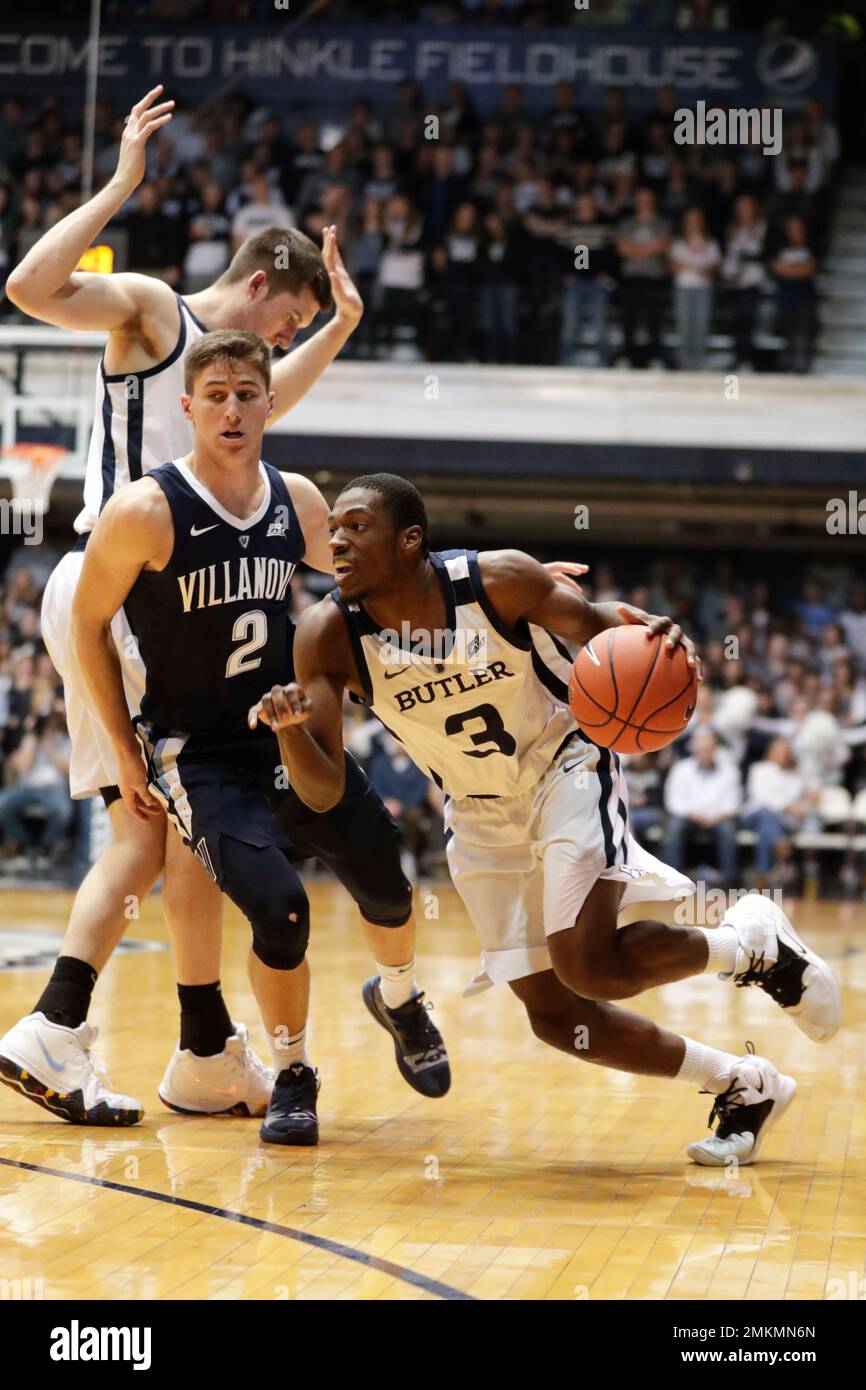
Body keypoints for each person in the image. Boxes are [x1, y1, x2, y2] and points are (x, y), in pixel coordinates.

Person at [250, 474, 841, 1167]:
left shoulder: (497, 581)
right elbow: (320, 793)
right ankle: (744, 1083)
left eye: (356, 527)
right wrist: (290, 732)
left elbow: (601, 629)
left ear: (409, 541)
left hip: (563, 764)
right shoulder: (325, 634)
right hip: (476, 811)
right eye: (333, 530)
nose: (336, 542)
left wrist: (655, 638)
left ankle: (750, 946)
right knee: (556, 1017)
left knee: (586, 961)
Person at [0, 86, 364, 1124]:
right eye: (288, 318)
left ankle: (202, 1048)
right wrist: (121, 183)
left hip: (158, 604)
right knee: (149, 826)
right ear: (257, 285)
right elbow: (28, 286)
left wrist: (338, 323)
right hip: (117, 591)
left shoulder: (234, 388)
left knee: (193, 823)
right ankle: (56, 1033)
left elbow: (282, 387)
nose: (277, 355)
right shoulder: (159, 313)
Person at [60, 332, 450, 1143]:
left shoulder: (299, 500)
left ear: (272, 402)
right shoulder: (144, 510)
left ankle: (403, 998)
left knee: (385, 876)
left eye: (247, 393)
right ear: (188, 408)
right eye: (216, 395)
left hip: (287, 739)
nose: (232, 409)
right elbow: (87, 623)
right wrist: (125, 752)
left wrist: (495, 585)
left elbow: (381, 571)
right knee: (282, 914)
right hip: (196, 756)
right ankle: (293, 1073)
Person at [663, 729, 741, 884]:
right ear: (695, 750)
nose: (705, 753)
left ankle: (729, 880)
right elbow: (673, 801)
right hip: (689, 816)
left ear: (715, 749)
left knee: (728, 829)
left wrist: (716, 817)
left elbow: (733, 803)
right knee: (674, 827)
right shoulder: (681, 768)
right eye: (702, 749)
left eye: (709, 749)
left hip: (718, 818)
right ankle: (672, 881)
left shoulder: (729, 770)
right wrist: (693, 814)